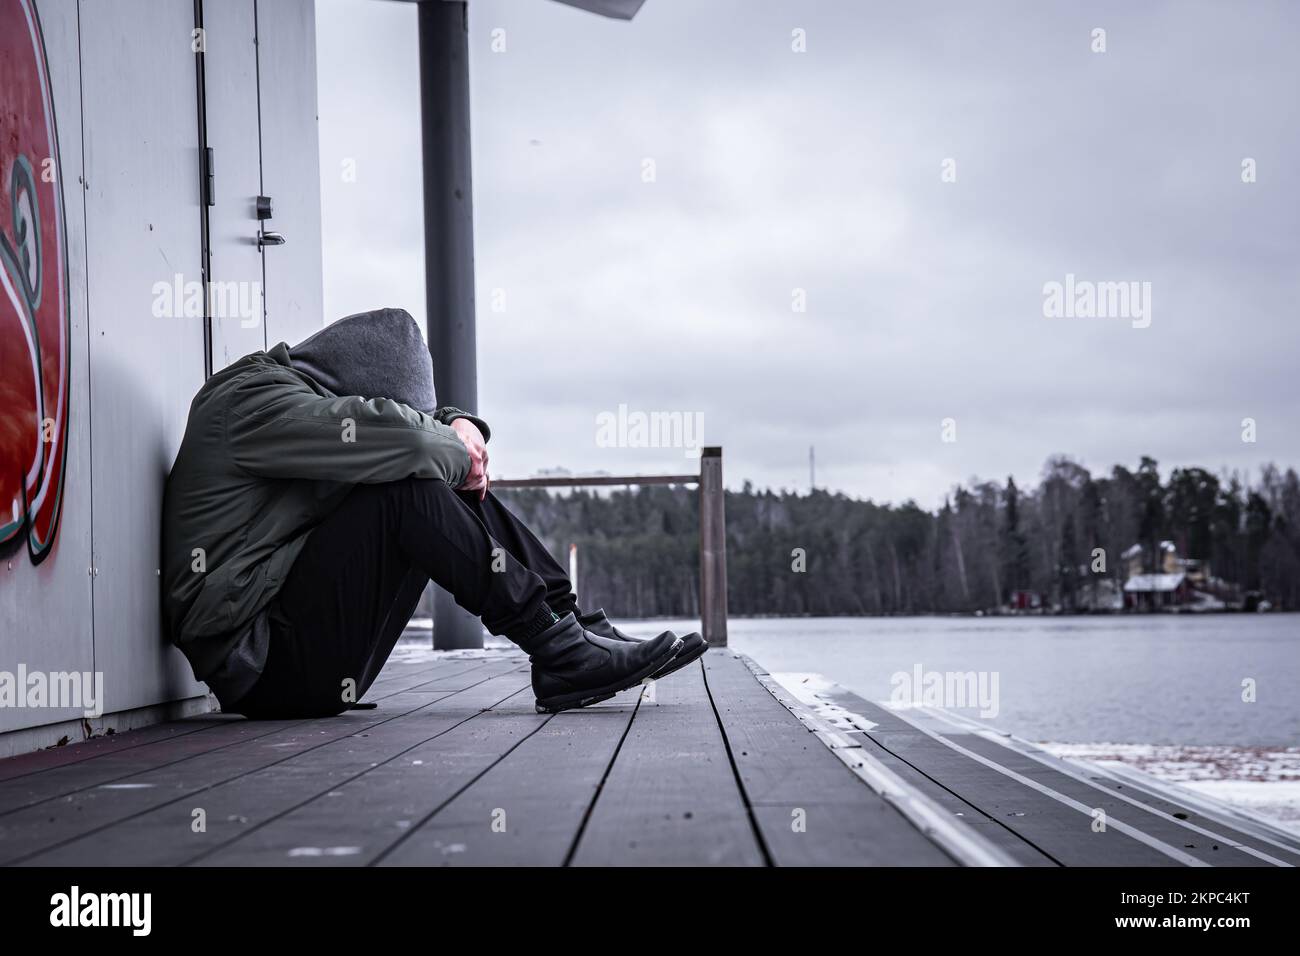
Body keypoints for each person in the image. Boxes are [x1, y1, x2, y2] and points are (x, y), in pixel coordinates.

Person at [161, 307, 706, 718]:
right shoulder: (256, 404)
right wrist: (454, 442)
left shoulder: (307, 396)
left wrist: (462, 423)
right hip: (263, 666)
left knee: (425, 479)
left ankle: (572, 630)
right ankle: (559, 646)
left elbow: (420, 431)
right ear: (350, 394)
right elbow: (416, 445)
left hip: (308, 657)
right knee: (402, 490)